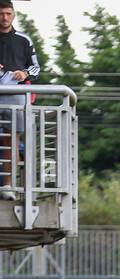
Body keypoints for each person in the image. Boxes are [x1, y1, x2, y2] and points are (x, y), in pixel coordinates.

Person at [0, 2, 38, 197]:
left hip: (15, 97)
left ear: (13, 15)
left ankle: (7, 186)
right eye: (1, 14)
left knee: (11, 140)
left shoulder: (24, 39)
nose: (5, 18)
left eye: (8, 14)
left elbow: (36, 68)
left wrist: (24, 74)